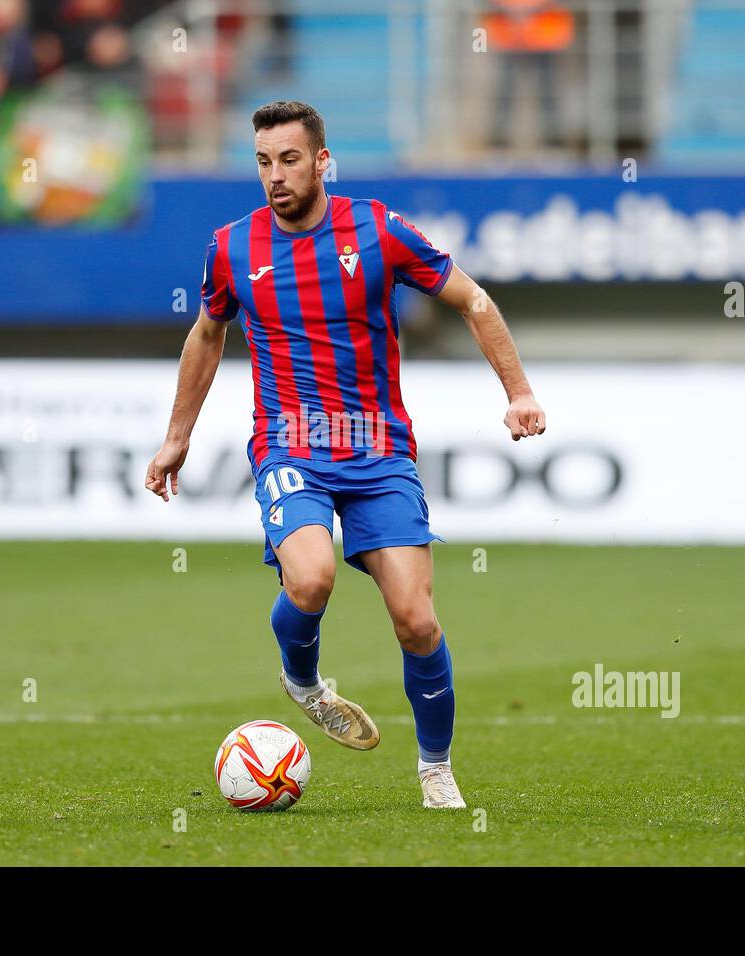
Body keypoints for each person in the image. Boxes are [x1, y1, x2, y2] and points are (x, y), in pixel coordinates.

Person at [144, 101, 546, 809]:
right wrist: (177, 436)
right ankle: (302, 681)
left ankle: (435, 768)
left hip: (379, 448)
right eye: (264, 161)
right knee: (311, 579)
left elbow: (473, 300)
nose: (275, 175)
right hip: (289, 444)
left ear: (322, 160)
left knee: (416, 620)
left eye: (290, 159)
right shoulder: (233, 248)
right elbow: (207, 335)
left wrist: (518, 392)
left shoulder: (379, 230)